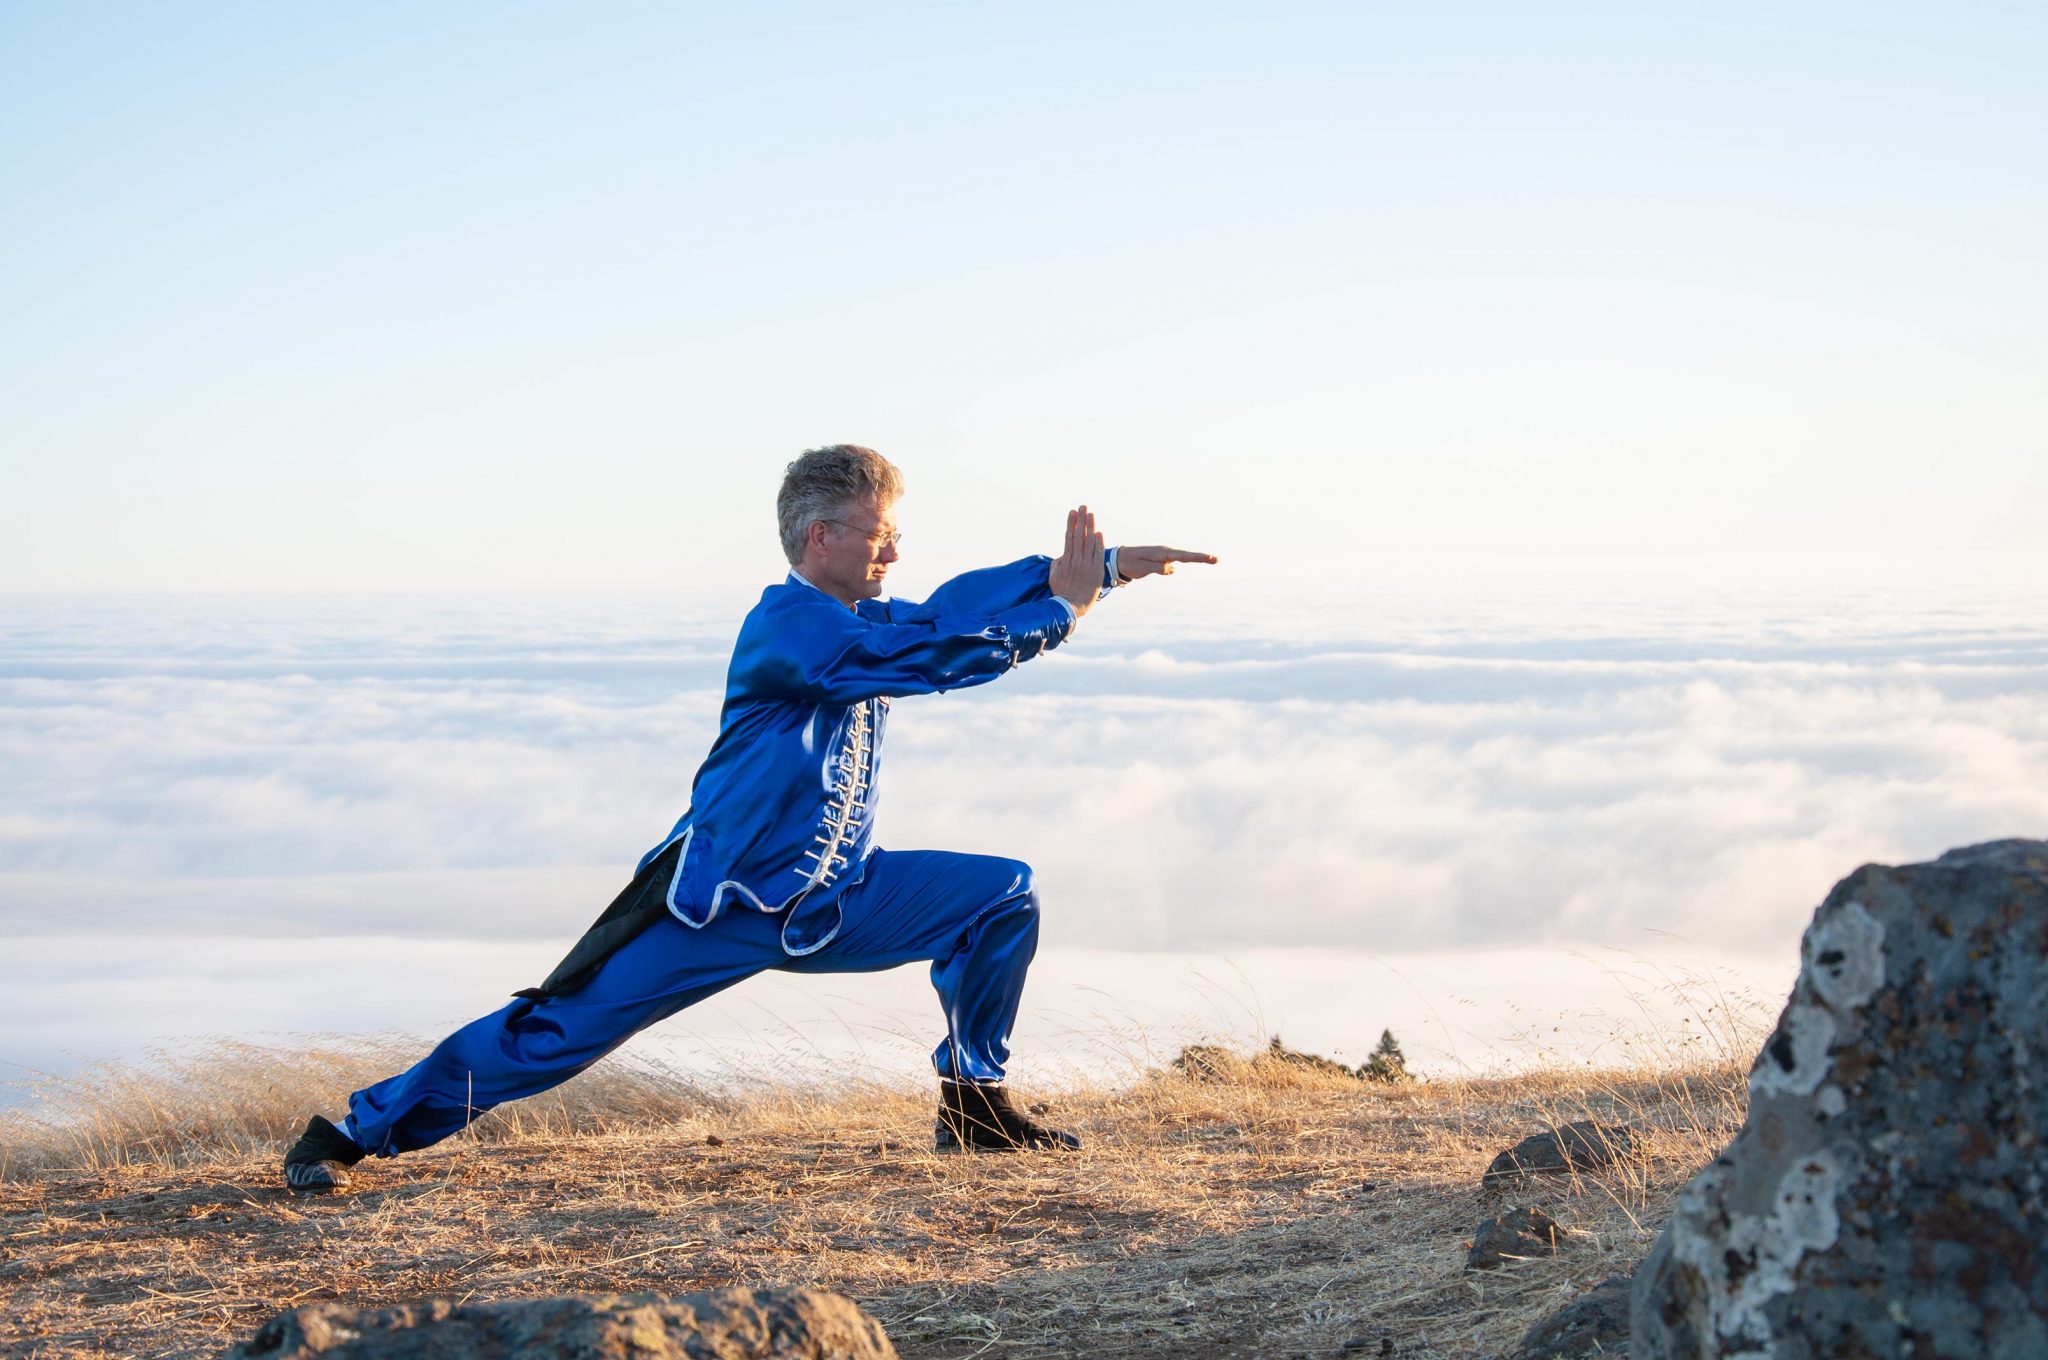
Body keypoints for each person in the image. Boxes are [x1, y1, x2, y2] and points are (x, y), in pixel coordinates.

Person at [282, 444, 1217, 1192]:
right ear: (820, 538)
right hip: (716, 910)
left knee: (1000, 895)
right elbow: (932, 661)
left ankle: (973, 1104)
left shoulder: (866, 611)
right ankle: (349, 1136)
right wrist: (1062, 610)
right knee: (551, 1035)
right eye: (878, 536)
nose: (893, 554)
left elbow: (944, 612)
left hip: (838, 899)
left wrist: (1097, 570)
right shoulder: (794, 627)